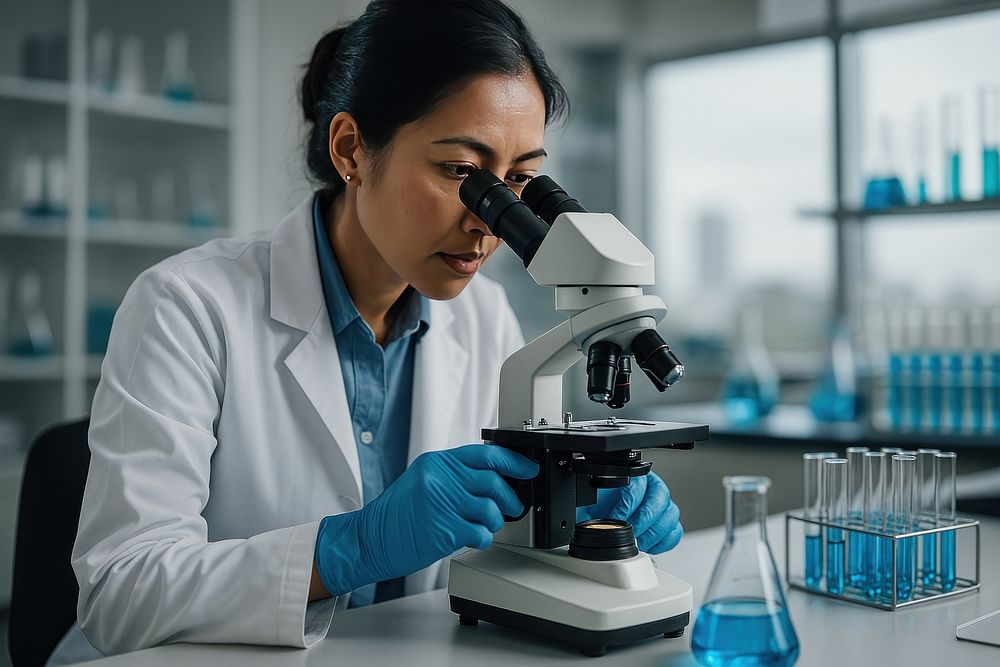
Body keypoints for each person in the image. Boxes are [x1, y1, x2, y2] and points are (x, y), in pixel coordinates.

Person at [47, 1, 683, 663]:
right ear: (350, 147)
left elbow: (486, 555)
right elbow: (118, 595)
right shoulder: (186, 306)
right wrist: (347, 546)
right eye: (463, 173)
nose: (488, 221)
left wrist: (569, 517)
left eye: (518, 180)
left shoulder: (485, 315)